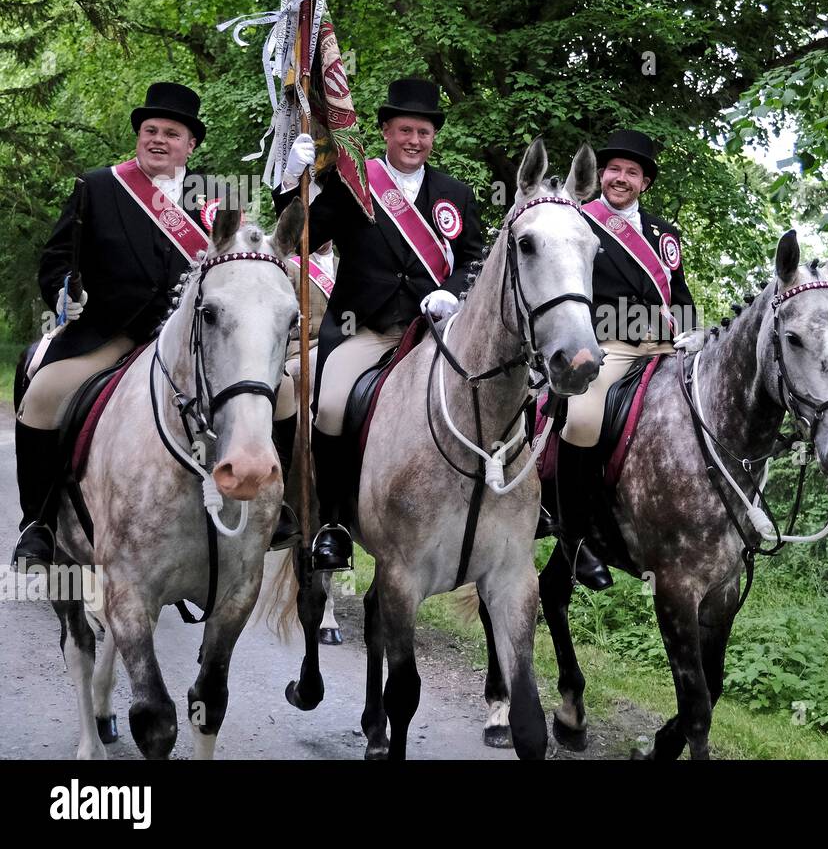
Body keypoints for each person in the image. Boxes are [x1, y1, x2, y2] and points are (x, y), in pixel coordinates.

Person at [11, 82, 301, 569]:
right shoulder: (98, 187)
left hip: (193, 341)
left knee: (286, 393)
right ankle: (38, 523)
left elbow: (246, 267)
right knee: (42, 395)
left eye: (171, 133)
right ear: (139, 135)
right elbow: (58, 259)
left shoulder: (219, 196)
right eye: (151, 130)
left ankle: (279, 507)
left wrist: (291, 182)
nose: (159, 140)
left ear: (191, 144)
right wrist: (64, 293)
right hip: (112, 333)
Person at [277, 77, 484, 571]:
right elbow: (302, 235)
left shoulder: (456, 193)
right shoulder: (356, 183)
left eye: (424, 133)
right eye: (405, 130)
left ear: (433, 138)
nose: (414, 140)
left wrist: (451, 291)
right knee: (330, 407)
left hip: (434, 333)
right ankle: (333, 523)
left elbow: (474, 259)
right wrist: (291, 179)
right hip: (364, 328)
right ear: (387, 131)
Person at [550, 129, 695, 589]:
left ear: (644, 183)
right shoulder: (580, 221)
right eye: (614, 169)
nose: (621, 178)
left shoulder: (663, 234)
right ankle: (575, 538)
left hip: (665, 347)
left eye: (632, 172)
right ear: (601, 175)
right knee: (582, 420)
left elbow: (679, 294)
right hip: (609, 345)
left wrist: (690, 332)